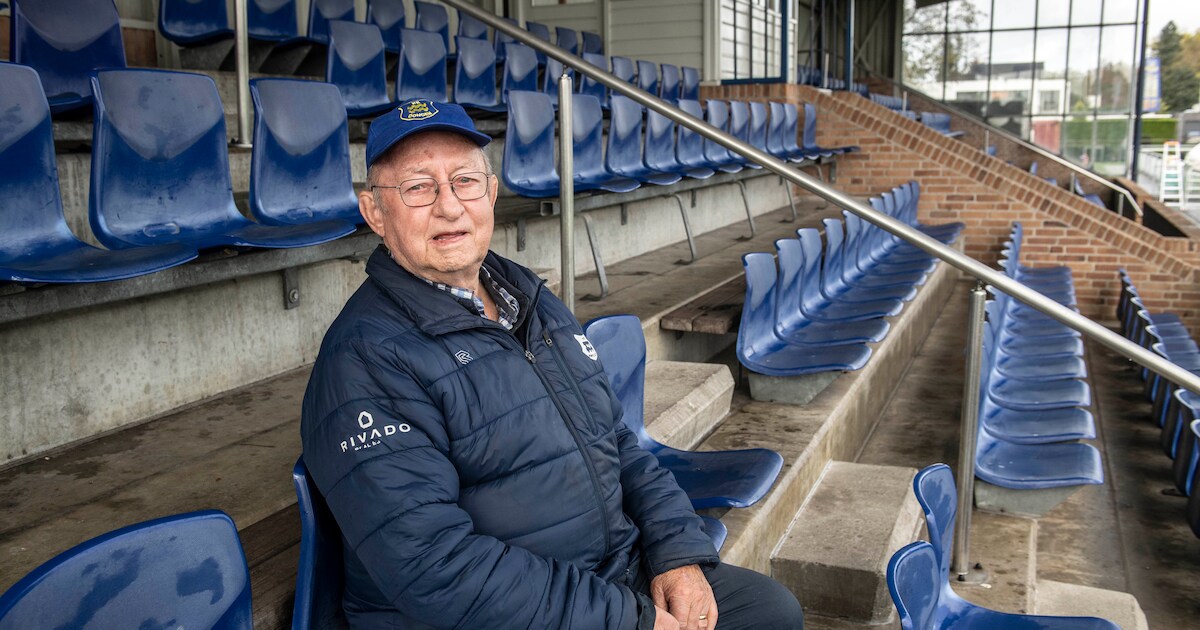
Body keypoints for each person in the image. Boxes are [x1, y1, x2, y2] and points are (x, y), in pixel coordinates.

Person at [300, 99, 803, 630]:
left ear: (491, 193)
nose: (449, 206)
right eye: (418, 187)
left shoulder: (527, 297)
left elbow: (616, 440)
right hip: (486, 616)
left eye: (465, 181)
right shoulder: (364, 359)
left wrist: (676, 552)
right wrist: (630, 621)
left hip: (608, 576)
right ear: (374, 212)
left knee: (771, 613)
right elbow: (434, 566)